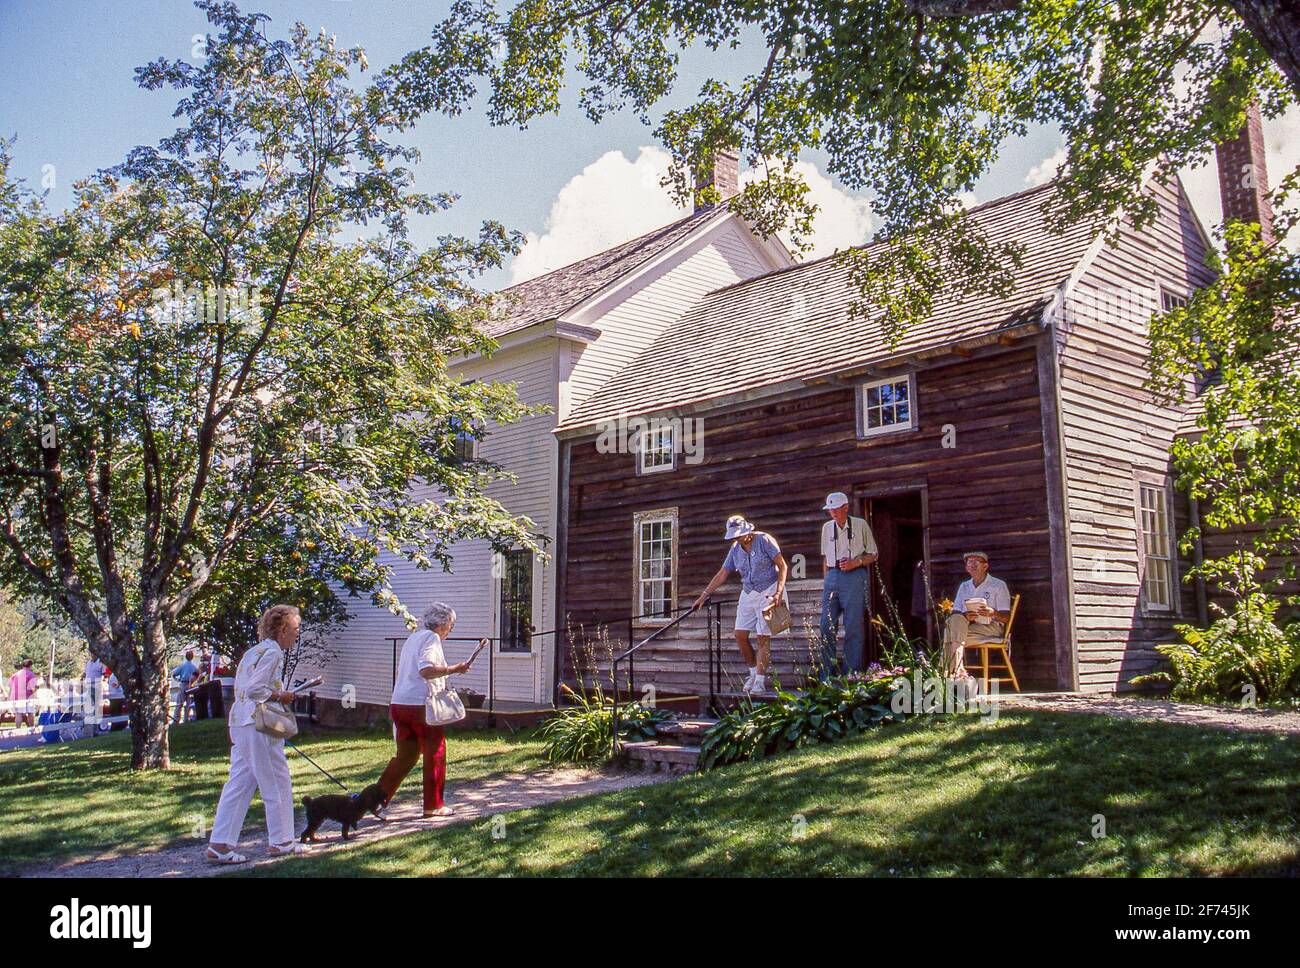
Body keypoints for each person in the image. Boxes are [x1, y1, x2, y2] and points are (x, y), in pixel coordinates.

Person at [206, 605, 309, 864]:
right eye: (295, 629)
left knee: (240, 783)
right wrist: (281, 695)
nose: (297, 634)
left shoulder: (255, 650)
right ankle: (282, 841)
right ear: (283, 629)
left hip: (239, 723)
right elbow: (255, 689)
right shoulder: (273, 653)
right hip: (257, 724)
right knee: (276, 779)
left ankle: (220, 844)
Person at [377, 602, 470, 818]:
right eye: (451, 626)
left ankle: (376, 800)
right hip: (421, 705)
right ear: (443, 624)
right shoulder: (431, 638)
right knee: (435, 752)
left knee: (406, 756)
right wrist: (455, 669)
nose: (450, 630)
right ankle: (433, 805)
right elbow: (426, 670)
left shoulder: (413, 637)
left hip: (400, 702)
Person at [693, 515, 789, 693]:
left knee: (763, 637)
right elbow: (723, 573)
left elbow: (782, 566)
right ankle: (753, 674)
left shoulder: (764, 540)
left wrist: (778, 593)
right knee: (740, 635)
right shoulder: (735, 549)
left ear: (748, 530)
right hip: (748, 592)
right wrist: (704, 595)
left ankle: (760, 681)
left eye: (739, 534)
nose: (737, 538)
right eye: (734, 536)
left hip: (769, 590)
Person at [819, 492, 878, 677]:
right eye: (830, 510)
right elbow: (825, 557)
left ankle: (851, 673)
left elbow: (874, 554)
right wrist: (826, 580)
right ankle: (826, 675)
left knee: (853, 625)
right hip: (832, 574)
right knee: (826, 625)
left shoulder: (860, 525)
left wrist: (856, 563)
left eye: (836, 509)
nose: (833, 513)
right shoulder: (827, 528)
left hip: (854, 574)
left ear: (846, 507)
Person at [944, 552, 1012, 678]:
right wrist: (966, 616)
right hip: (968, 626)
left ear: (985, 566)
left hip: (991, 627)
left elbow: (1006, 618)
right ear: (966, 567)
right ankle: (958, 671)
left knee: (948, 636)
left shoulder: (998, 585)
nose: (972, 565)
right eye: (969, 562)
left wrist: (993, 612)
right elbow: (956, 612)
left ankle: (950, 673)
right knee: (955, 620)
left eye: (976, 562)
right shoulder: (964, 586)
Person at [170, 650, 200, 723]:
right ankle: (186, 719)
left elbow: (174, 674)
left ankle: (176, 720)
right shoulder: (194, 667)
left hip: (183, 684)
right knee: (188, 703)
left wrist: (178, 680)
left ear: (185, 657)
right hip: (190, 685)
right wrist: (193, 681)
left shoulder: (182, 666)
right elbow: (197, 674)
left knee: (179, 703)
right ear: (192, 657)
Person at [8, 659, 38, 728]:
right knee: (31, 713)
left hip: (16, 697)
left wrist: (9, 697)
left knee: (18, 714)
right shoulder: (31, 674)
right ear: (30, 666)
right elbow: (33, 688)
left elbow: (10, 686)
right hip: (28, 697)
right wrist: (36, 697)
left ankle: (18, 729)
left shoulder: (15, 675)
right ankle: (31, 728)